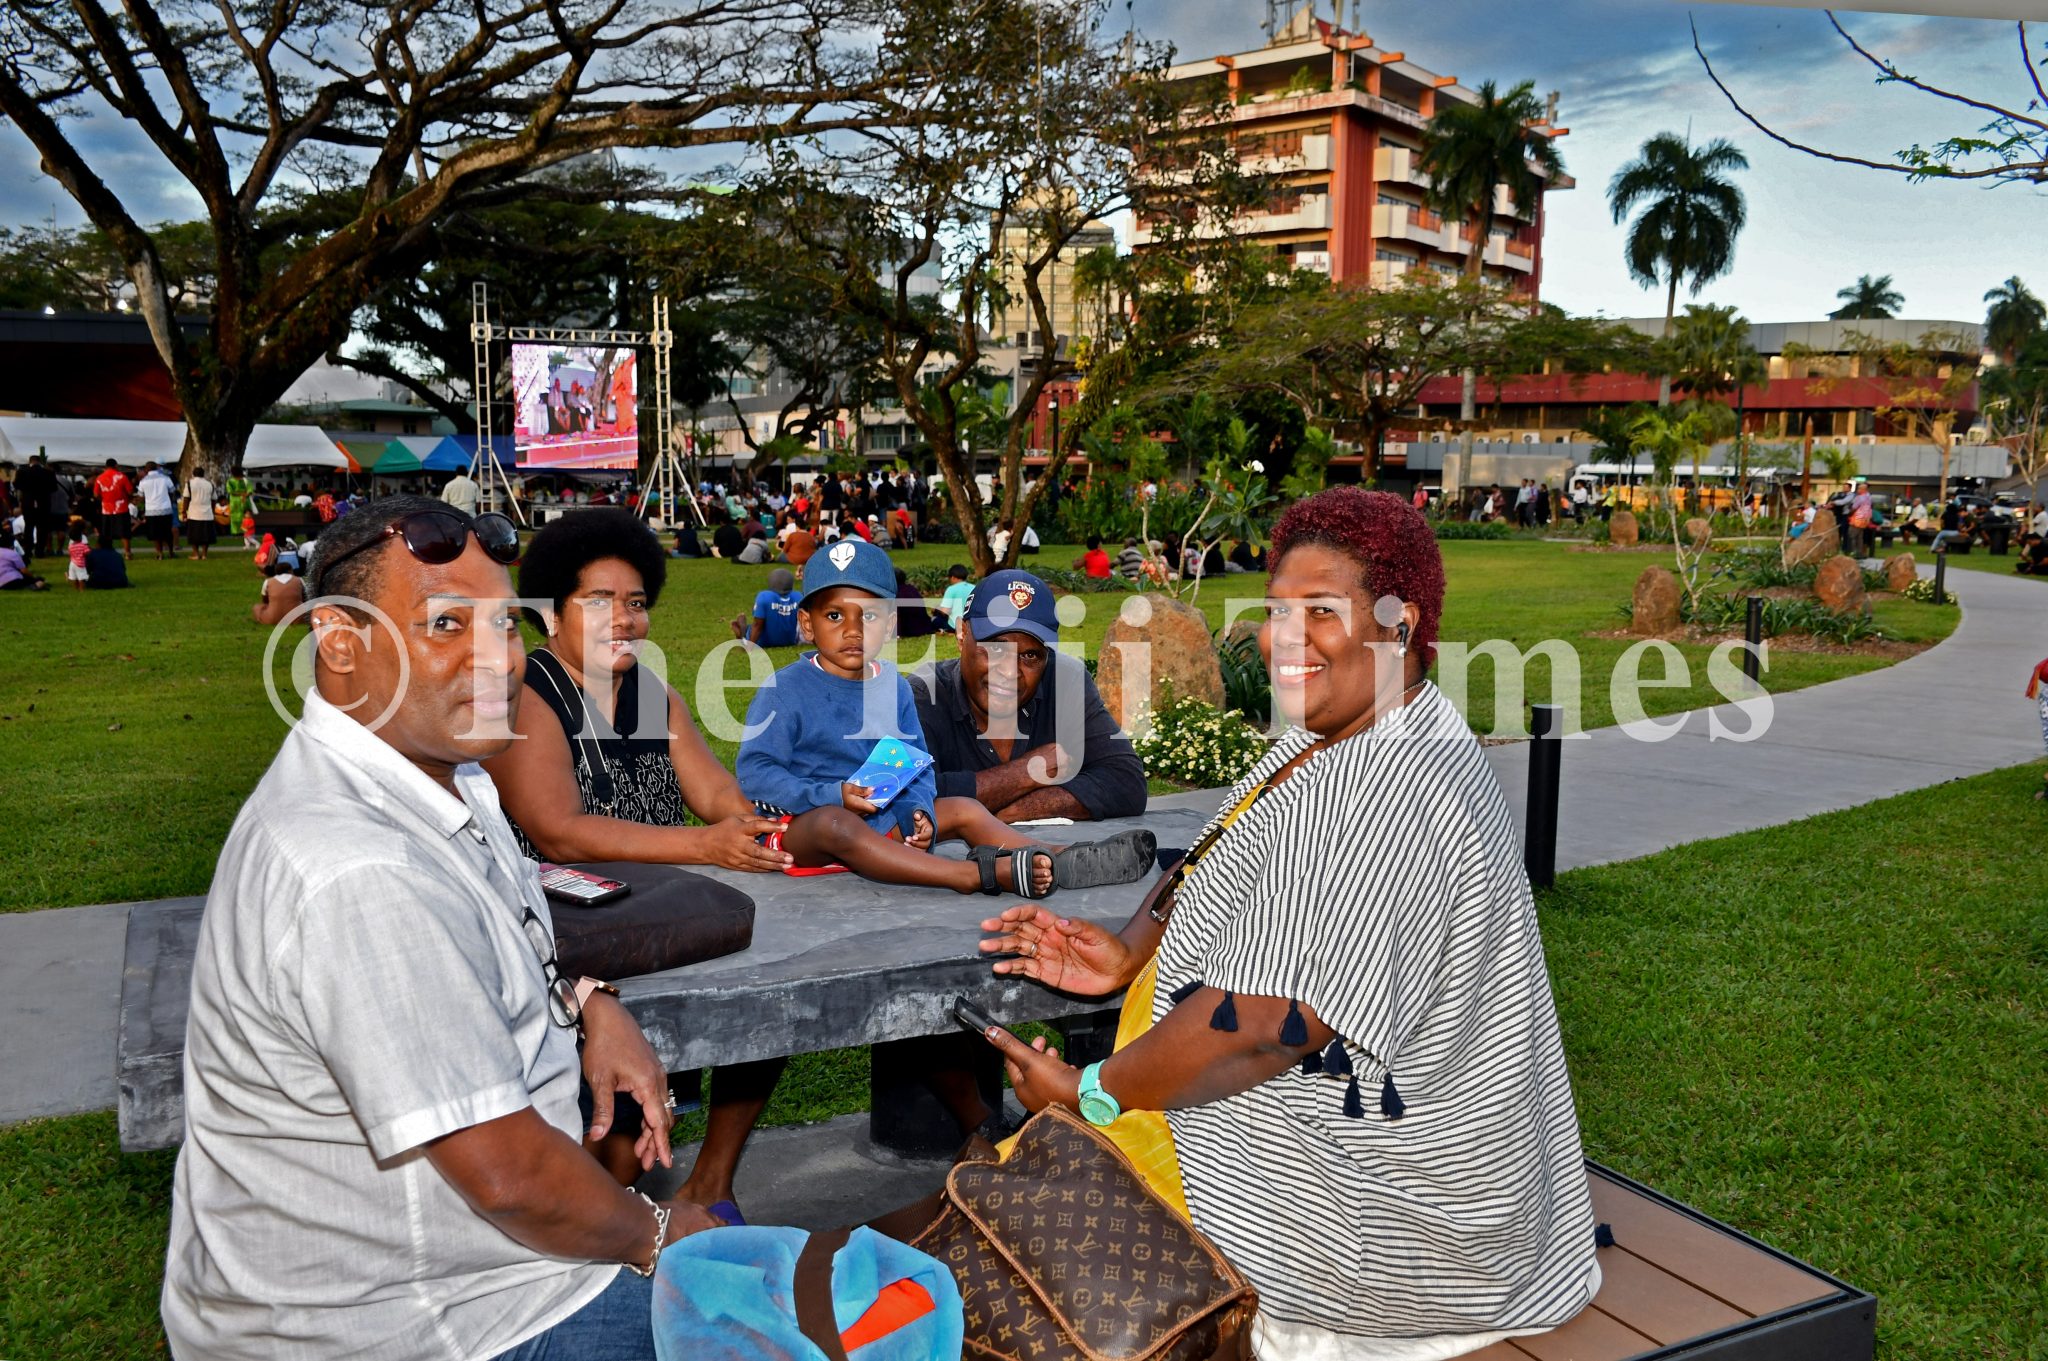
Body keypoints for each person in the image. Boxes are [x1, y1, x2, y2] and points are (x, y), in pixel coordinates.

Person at [980, 487, 1600, 1358]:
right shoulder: (1327, 734)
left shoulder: (1397, 793)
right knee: (1015, 1209)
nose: (1285, 638)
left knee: (1028, 1234)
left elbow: (1264, 1030)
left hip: (1404, 1237)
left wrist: (1092, 1097)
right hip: (1349, 1144)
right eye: (1276, 610)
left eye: (1320, 611)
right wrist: (1129, 951)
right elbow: (1213, 852)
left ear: (1397, 620)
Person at [165, 496, 721, 1359]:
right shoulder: (358, 869)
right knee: (773, 1312)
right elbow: (511, 1175)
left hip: (465, 1269)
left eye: (503, 624)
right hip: (424, 1320)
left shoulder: (444, 774)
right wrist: (659, 1234)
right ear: (341, 644)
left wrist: (592, 1000)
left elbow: (502, 928)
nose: (497, 659)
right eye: (446, 625)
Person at [481, 508, 798, 1221]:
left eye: (635, 602)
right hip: (568, 940)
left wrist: (748, 825)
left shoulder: (651, 694)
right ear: (552, 613)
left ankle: (712, 1179)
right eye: (597, 601)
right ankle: (608, 1212)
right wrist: (702, 846)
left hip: (655, 912)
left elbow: (712, 788)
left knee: (774, 992)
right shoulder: (529, 698)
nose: (623, 619)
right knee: (614, 1162)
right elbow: (558, 832)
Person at [735, 538, 1154, 897]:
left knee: (964, 810)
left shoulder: (893, 687)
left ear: (891, 624)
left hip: (878, 819)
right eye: (834, 616)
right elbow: (755, 771)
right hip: (802, 829)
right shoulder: (785, 689)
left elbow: (914, 765)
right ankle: (971, 875)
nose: (853, 630)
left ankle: (1053, 857)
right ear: (806, 624)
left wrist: (919, 813)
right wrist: (829, 795)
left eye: (870, 615)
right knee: (836, 824)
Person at [910, 569, 1147, 824]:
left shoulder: (1065, 679)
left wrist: (1015, 811)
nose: (1010, 671)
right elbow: (912, 798)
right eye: (996, 647)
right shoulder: (924, 693)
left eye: (1030, 655)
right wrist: (1026, 773)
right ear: (962, 634)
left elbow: (1126, 781)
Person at [731, 565, 803, 647]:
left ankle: (743, 634)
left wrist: (749, 647)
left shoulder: (764, 597)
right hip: (790, 641)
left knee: (751, 628)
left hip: (764, 642)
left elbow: (757, 625)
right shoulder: (798, 596)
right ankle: (745, 629)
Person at [92, 458, 135, 557]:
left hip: (106, 509)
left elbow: (96, 494)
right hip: (121, 508)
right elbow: (130, 492)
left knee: (106, 533)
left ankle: (106, 552)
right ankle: (127, 552)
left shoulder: (99, 478)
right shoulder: (122, 476)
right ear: (116, 465)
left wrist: (104, 499)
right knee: (124, 532)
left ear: (105, 466)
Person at [250, 555, 306, 626]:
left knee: (257, 608)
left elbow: (265, 601)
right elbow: (306, 597)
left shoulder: (268, 581)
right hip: (298, 617)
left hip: (273, 618)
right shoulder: (299, 580)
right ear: (290, 570)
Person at [137, 461, 177, 559]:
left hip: (151, 510)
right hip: (165, 509)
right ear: (157, 468)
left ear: (146, 469)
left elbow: (141, 497)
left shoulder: (143, 481)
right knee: (167, 532)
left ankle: (159, 553)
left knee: (155, 533)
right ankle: (171, 552)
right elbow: (172, 491)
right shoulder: (165, 478)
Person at [183, 467, 217, 559]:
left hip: (194, 513)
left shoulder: (190, 483)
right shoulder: (210, 484)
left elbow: (186, 498)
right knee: (206, 536)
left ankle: (196, 554)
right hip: (207, 514)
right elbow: (214, 500)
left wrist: (184, 512)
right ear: (203, 474)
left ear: (193, 474)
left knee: (193, 535)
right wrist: (213, 511)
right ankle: (204, 554)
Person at [65, 521, 91, 591]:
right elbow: (87, 551)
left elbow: (69, 552)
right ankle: (81, 588)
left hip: (73, 562)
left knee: (74, 576)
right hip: (81, 562)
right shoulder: (83, 538)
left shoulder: (71, 542)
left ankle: (76, 587)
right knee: (81, 576)